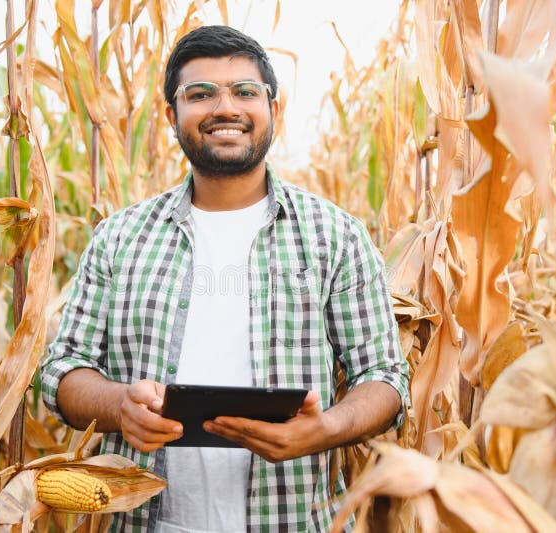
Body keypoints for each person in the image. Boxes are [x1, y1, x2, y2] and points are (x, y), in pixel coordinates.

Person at [41, 25, 410, 532]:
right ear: (171, 116)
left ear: (273, 110)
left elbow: (384, 378)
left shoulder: (335, 236)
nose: (225, 108)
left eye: (244, 91)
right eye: (200, 94)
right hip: (146, 521)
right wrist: (118, 405)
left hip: (295, 522)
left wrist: (325, 430)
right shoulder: (118, 238)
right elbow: (63, 370)